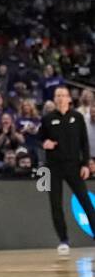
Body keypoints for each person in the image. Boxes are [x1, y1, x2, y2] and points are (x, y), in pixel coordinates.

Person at [41, 86, 95, 255]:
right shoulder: (48, 118)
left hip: (74, 166)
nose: (60, 98)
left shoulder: (77, 117)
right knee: (55, 204)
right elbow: (39, 138)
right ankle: (63, 240)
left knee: (85, 201)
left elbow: (84, 143)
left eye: (63, 95)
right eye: (57, 95)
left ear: (69, 99)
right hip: (53, 168)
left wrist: (86, 164)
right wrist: (44, 143)